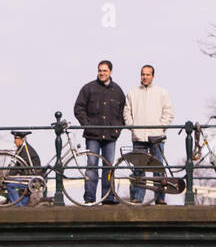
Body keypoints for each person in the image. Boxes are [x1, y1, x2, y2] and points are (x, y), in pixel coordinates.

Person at [73, 61, 126, 204]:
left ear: (110, 72)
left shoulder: (118, 91)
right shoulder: (88, 88)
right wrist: (87, 125)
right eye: (100, 70)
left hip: (110, 136)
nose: (102, 73)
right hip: (93, 135)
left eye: (105, 71)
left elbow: (123, 113)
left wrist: (117, 129)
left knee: (109, 167)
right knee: (91, 167)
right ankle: (89, 197)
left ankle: (108, 197)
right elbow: (78, 108)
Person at [123, 64, 175, 204]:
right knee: (138, 168)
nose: (145, 77)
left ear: (153, 76)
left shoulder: (162, 92)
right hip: (138, 136)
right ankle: (137, 197)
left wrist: (160, 128)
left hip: (156, 136)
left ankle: (160, 198)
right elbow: (126, 112)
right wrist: (132, 127)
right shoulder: (132, 93)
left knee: (158, 168)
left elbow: (168, 112)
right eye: (143, 74)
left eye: (148, 74)